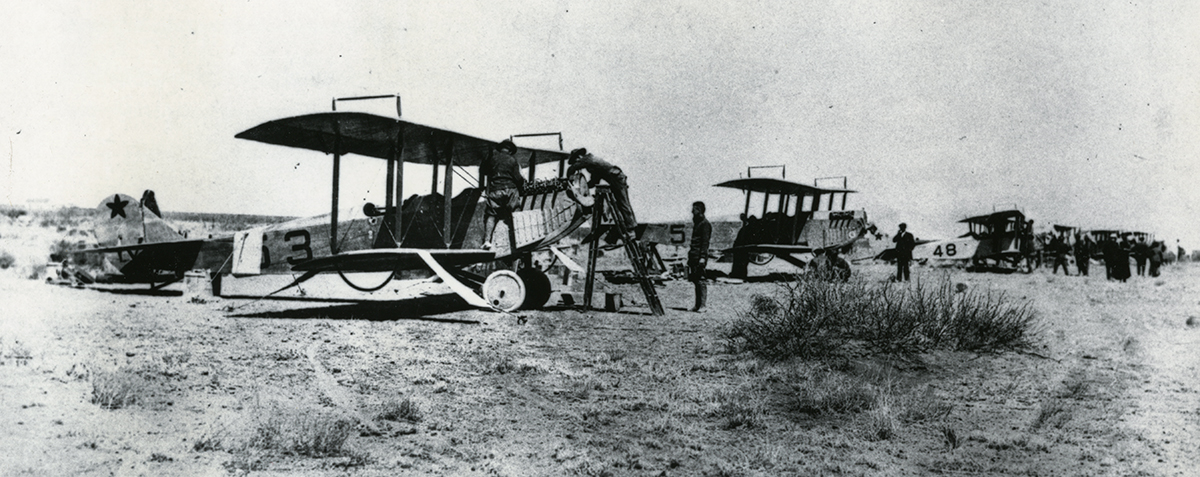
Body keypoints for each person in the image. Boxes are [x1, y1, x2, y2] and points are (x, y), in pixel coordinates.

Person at [566, 148, 637, 235]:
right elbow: (594, 180)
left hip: (617, 178)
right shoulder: (592, 165)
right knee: (620, 203)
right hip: (615, 178)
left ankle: (631, 228)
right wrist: (582, 186)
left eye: (576, 160)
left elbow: (573, 167)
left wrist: (570, 179)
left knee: (623, 203)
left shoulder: (589, 159)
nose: (577, 162)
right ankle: (628, 227)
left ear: (580, 156)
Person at [478, 139, 525, 250]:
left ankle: (487, 241)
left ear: (500, 149)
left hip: (495, 190)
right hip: (510, 190)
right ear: (510, 150)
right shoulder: (512, 160)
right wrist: (522, 185)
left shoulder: (492, 158)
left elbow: (483, 171)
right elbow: (518, 178)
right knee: (515, 211)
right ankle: (520, 239)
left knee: (491, 215)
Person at [688, 201, 712, 313]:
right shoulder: (698, 223)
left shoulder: (705, 224)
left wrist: (702, 257)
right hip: (694, 255)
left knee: (701, 280)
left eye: (694, 209)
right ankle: (697, 305)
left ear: (699, 210)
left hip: (699, 257)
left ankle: (703, 306)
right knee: (695, 280)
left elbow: (705, 243)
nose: (692, 211)